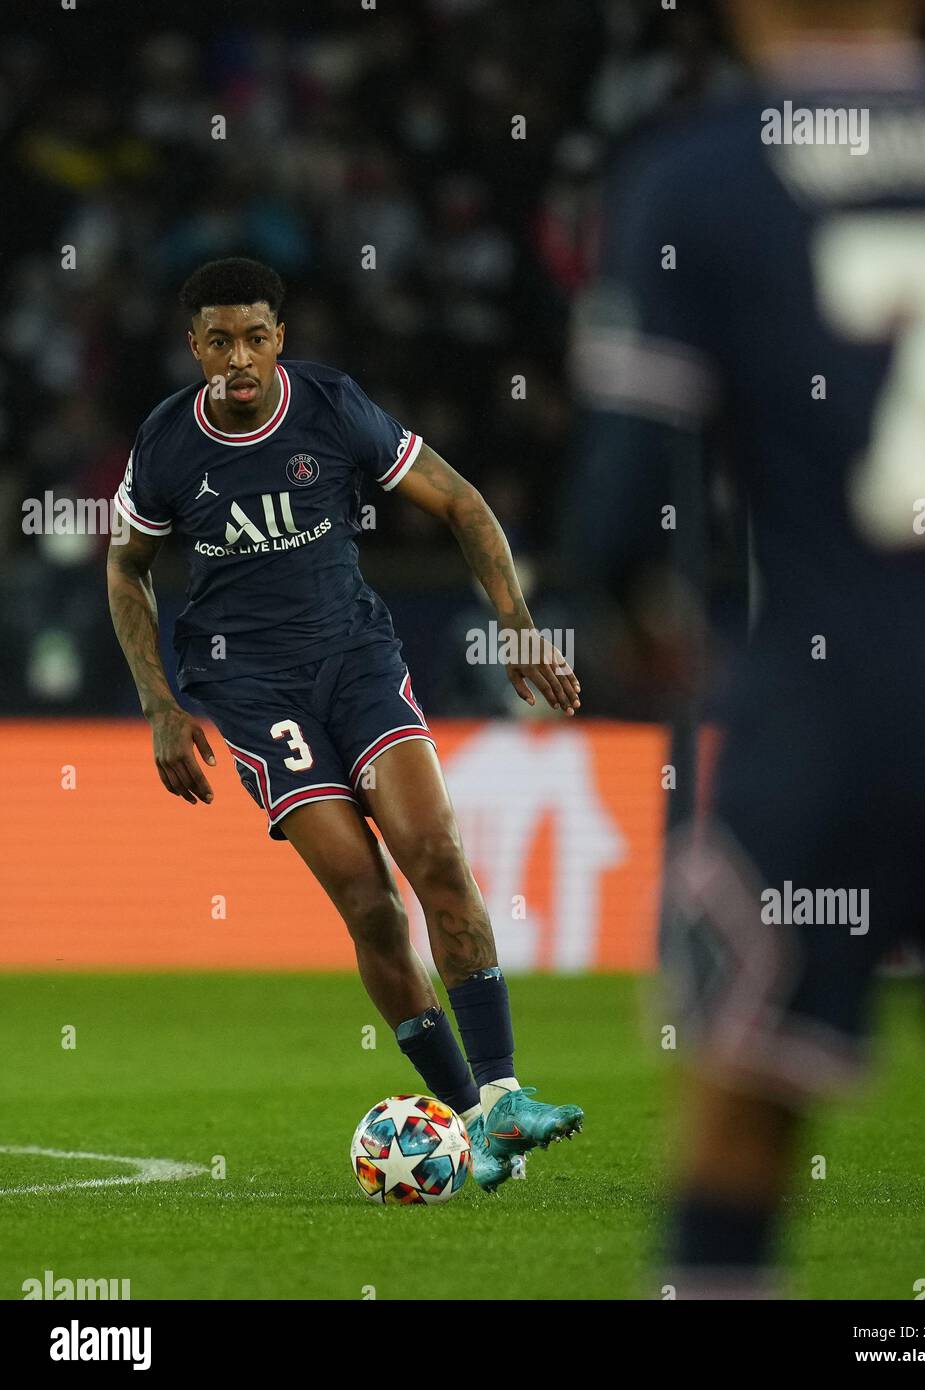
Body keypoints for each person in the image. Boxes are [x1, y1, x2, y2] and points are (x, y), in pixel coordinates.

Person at [575, 0, 925, 1292]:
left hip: (836, 711)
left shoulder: (699, 171)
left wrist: (643, 631)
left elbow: (623, 502)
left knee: (743, 1104)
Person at [106, 257, 583, 1196]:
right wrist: (161, 703)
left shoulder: (332, 407)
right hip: (250, 691)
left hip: (356, 662)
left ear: (279, 337)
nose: (238, 359)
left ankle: (503, 1096)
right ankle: (468, 1123)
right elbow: (126, 569)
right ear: (193, 346)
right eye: (218, 341)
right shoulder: (166, 446)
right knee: (368, 904)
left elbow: (461, 501)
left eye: (255, 337)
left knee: (434, 853)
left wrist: (518, 627)